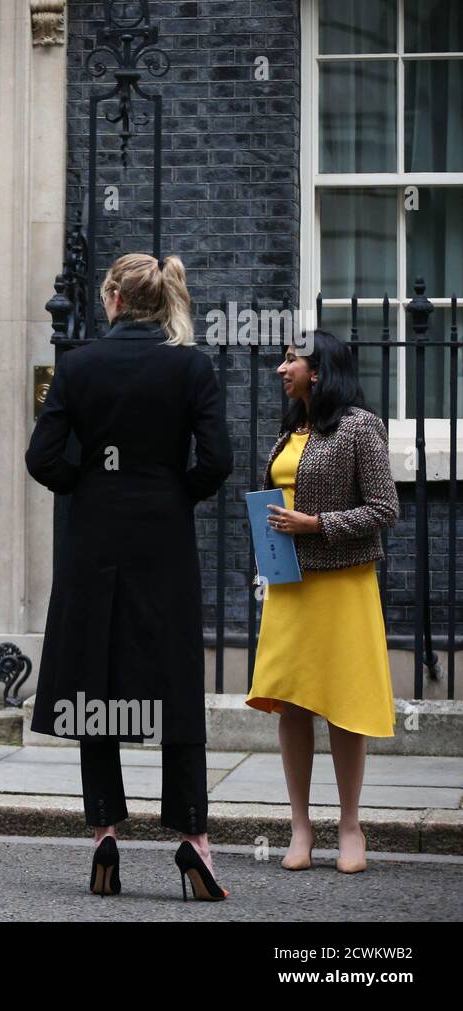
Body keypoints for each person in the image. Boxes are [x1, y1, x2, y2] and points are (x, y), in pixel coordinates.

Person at [25, 252, 233, 901]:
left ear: (112, 299)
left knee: (97, 676)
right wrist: (176, 491)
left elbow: (42, 457)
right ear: (161, 298)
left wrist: (85, 485)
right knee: (175, 679)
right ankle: (194, 838)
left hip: (95, 537)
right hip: (164, 535)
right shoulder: (191, 366)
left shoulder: (80, 363)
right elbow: (218, 459)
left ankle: (106, 834)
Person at [247, 330, 398, 875]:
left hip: (342, 583)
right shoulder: (292, 428)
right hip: (290, 585)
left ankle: (351, 826)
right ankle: (301, 827)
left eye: (292, 359)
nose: (281, 368)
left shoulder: (360, 426)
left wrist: (316, 525)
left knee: (344, 702)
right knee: (291, 702)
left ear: (320, 369)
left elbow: (385, 509)